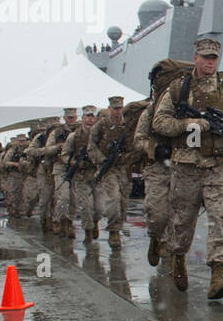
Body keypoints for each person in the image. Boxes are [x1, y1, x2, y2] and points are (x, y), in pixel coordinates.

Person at [152, 35, 223, 298]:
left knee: (218, 216)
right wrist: (190, 124)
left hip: (218, 164)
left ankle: (218, 273)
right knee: (183, 222)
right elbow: (160, 122)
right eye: (205, 57)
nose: (210, 61)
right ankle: (178, 256)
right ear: (196, 58)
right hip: (187, 165)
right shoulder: (179, 89)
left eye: (214, 57)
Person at [134, 90, 173, 268]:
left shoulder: (185, 107)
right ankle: (156, 237)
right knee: (157, 212)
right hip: (156, 167)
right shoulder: (149, 113)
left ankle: (171, 249)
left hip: (181, 166)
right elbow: (138, 140)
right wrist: (155, 149)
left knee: (179, 213)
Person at [88, 95, 130, 246]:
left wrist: (127, 155)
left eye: (120, 108)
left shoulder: (128, 125)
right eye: (115, 108)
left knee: (124, 200)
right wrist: (102, 160)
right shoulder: (101, 125)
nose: (117, 112)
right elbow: (91, 147)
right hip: (108, 168)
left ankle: (118, 225)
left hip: (123, 167)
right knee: (113, 198)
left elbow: (135, 143)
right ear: (109, 108)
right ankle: (114, 231)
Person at [55, 105, 99, 240]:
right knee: (84, 204)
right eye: (87, 116)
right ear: (83, 118)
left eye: (92, 116)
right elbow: (64, 155)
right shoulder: (73, 136)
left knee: (100, 207)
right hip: (81, 174)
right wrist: (74, 162)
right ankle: (86, 231)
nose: (90, 120)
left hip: (98, 173)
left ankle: (94, 223)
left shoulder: (100, 134)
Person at [42, 109, 78, 233]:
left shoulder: (81, 131)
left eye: (73, 117)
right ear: (64, 118)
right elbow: (47, 149)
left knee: (74, 199)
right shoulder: (57, 132)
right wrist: (59, 147)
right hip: (60, 167)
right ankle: (57, 220)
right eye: (69, 117)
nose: (71, 120)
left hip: (76, 167)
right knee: (63, 197)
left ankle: (69, 222)